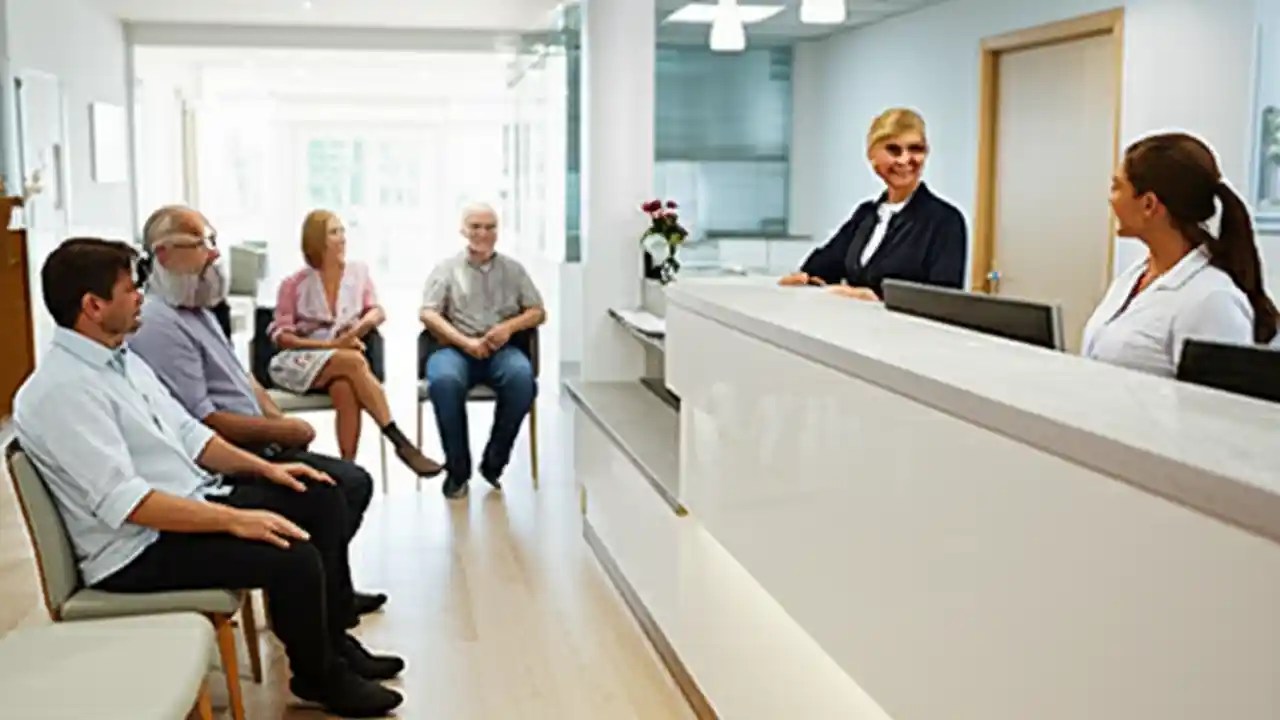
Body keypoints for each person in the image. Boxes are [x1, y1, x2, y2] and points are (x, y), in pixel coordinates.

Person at [12, 238, 404, 717]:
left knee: (316, 496)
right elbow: (128, 503)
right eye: (131, 290)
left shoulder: (120, 358)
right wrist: (235, 520)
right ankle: (318, 676)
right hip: (135, 550)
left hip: (184, 503)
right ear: (93, 306)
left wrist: (268, 469)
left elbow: (190, 434)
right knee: (292, 555)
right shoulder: (62, 391)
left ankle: (331, 642)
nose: (141, 297)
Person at [129, 205, 387, 620]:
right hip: (229, 454)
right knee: (338, 490)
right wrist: (282, 433)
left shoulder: (196, 310)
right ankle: (320, 601)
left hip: (259, 439)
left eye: (212, 242)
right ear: (163, 254)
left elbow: (243, 379)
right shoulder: (159, 324)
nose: (213, 255)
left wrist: (279, 423)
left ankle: (326, 590)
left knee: (351, 484)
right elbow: (202, 421)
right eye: (200, 245)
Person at [1083, 132, 1279, 376]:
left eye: (1117, 187)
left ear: (1148, 204)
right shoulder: (1133, 278)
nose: (1110, 199)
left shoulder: (1212, 300)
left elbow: (1218, 409)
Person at [270, 209, 442, 478]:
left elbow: (377, 311)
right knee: (353, 361)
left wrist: (356, 332)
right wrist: (335, 347)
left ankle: (346, 471)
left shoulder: (358, 273)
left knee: (346, 388)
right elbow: (283, 338)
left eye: (342, 231)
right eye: (334, 232)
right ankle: (400, 442)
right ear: (317, 240)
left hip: (341, 361)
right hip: (299, 360)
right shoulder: (293, 284)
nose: (342, 238)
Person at [420, 203, 545, 499]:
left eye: (489, 227)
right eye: (475, 226)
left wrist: (509, 328)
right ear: (463, 230)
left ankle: (493, 463)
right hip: (455, 348)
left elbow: (538, 311)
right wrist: (465, 342)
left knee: (522, 381)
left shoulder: (514, 270)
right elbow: (428, 314)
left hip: (501, 349)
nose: (483, 233)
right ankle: (457, 470)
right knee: (444, 383)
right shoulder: (446, 269)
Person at [779, 108, 967, 300]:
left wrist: (875, 298)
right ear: (872, 155)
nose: (905, 160)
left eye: (915, 149)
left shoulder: (945, 221)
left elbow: (944, 301)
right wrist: (807, 279)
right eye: (893, 150)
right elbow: (822, 264)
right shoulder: (866, 215)